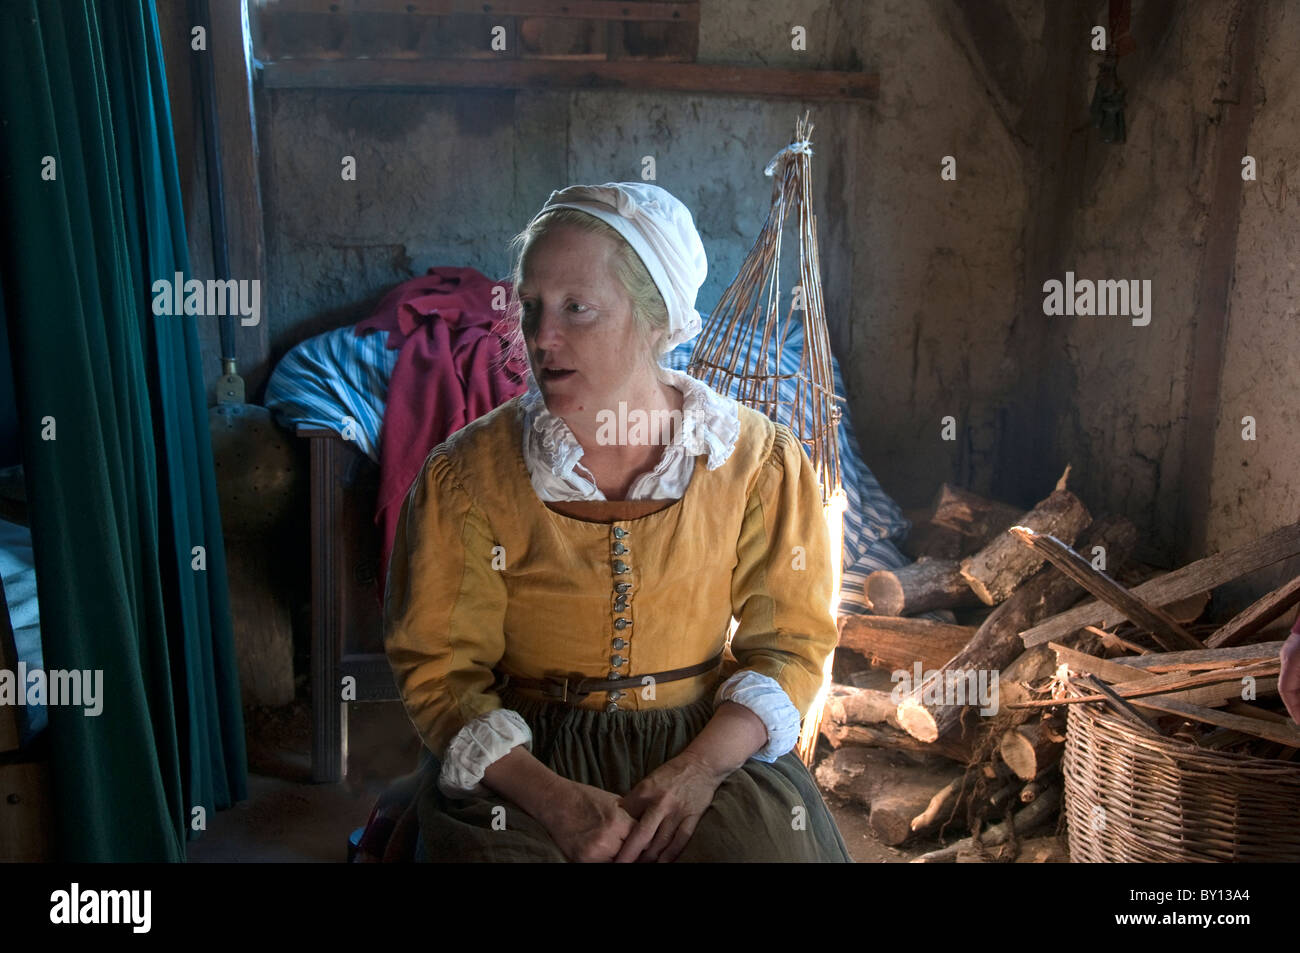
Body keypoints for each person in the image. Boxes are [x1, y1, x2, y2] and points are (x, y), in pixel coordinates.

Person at [383, 182, 853, 862]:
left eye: (578, 308)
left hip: (705, 745)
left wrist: (699, 770)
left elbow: (789, 646)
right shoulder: (468, 476)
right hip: (522, 755)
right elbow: (443, 670)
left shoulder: (756, 463)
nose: (543, 338)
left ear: (657, 317)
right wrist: (551, 797)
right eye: (532, 306)